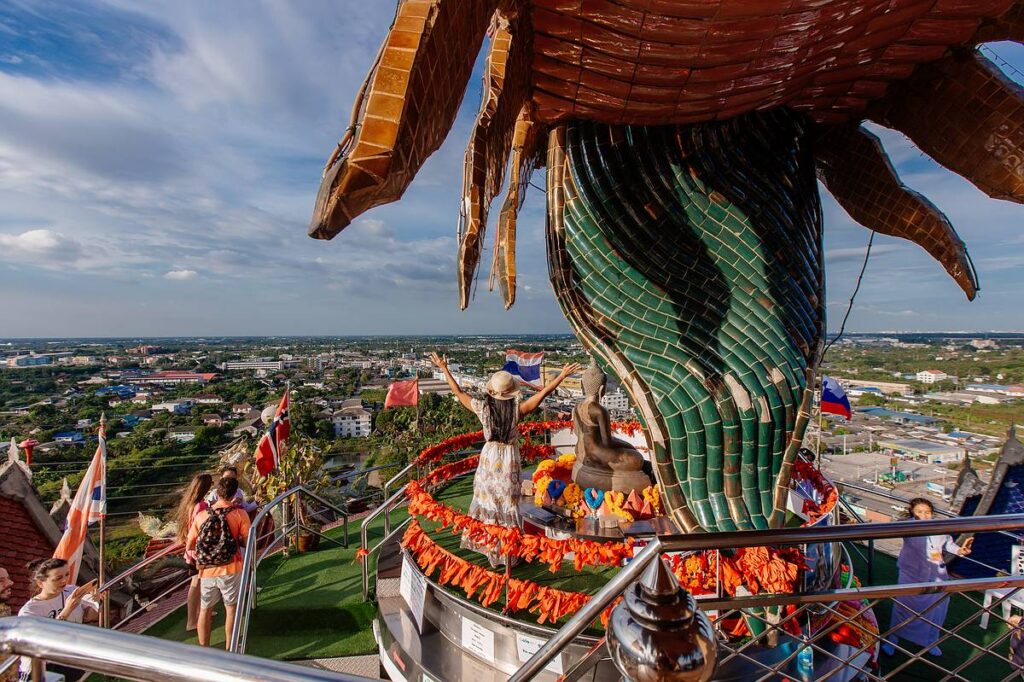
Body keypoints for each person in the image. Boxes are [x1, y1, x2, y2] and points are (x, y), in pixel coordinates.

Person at [431, 352, 580, 566]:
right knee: (509, 504)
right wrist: (562, 376)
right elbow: (544, 393)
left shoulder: (483, 410)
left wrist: (445, 368)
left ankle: (491, 549)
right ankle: (508, 553)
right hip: (509, 458)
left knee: (489, 501)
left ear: (492, 392)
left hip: (489, 458)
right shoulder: (517, 411)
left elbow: (458, 392)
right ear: (511, 394)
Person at [881, 498, 972, 657]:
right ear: (912, 513)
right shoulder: (908, 526)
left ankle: (931, 641)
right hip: (911, 573)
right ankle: (892, 639)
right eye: (919, 512)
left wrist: (960, 551)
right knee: (903, 607)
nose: (924, 515)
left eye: (927, 512)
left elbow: (947, 544)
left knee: (936, 609)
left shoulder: (938, 527)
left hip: (936, 574)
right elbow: (895, 526)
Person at [186, 476, 250, 648]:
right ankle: (230, 648)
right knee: (231, 609)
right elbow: (247, 540)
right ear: (234, 493)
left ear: (218, 493)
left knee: (205, 610)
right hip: (231, 566)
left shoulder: (202, 515)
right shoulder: (239, 513)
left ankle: (204, 649)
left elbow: (190, 543)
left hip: (207, 569)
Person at [17, 558, 101, 681]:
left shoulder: (71, 591)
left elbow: (90, 617)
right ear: (41, 583)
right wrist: (67, 610)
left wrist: (97, 601)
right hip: (39, 668)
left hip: (68, 658)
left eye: (66, 574)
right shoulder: (29, 611)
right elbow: (44, 641)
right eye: (58, 578)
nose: (64, 580)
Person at [175, 472, 213, 631]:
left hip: (191, 551)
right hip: (199, 551)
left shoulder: (189, 505)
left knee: (199, 582)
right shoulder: (202, 506)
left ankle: (200, 612)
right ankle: (191, 620)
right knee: (197, 582)